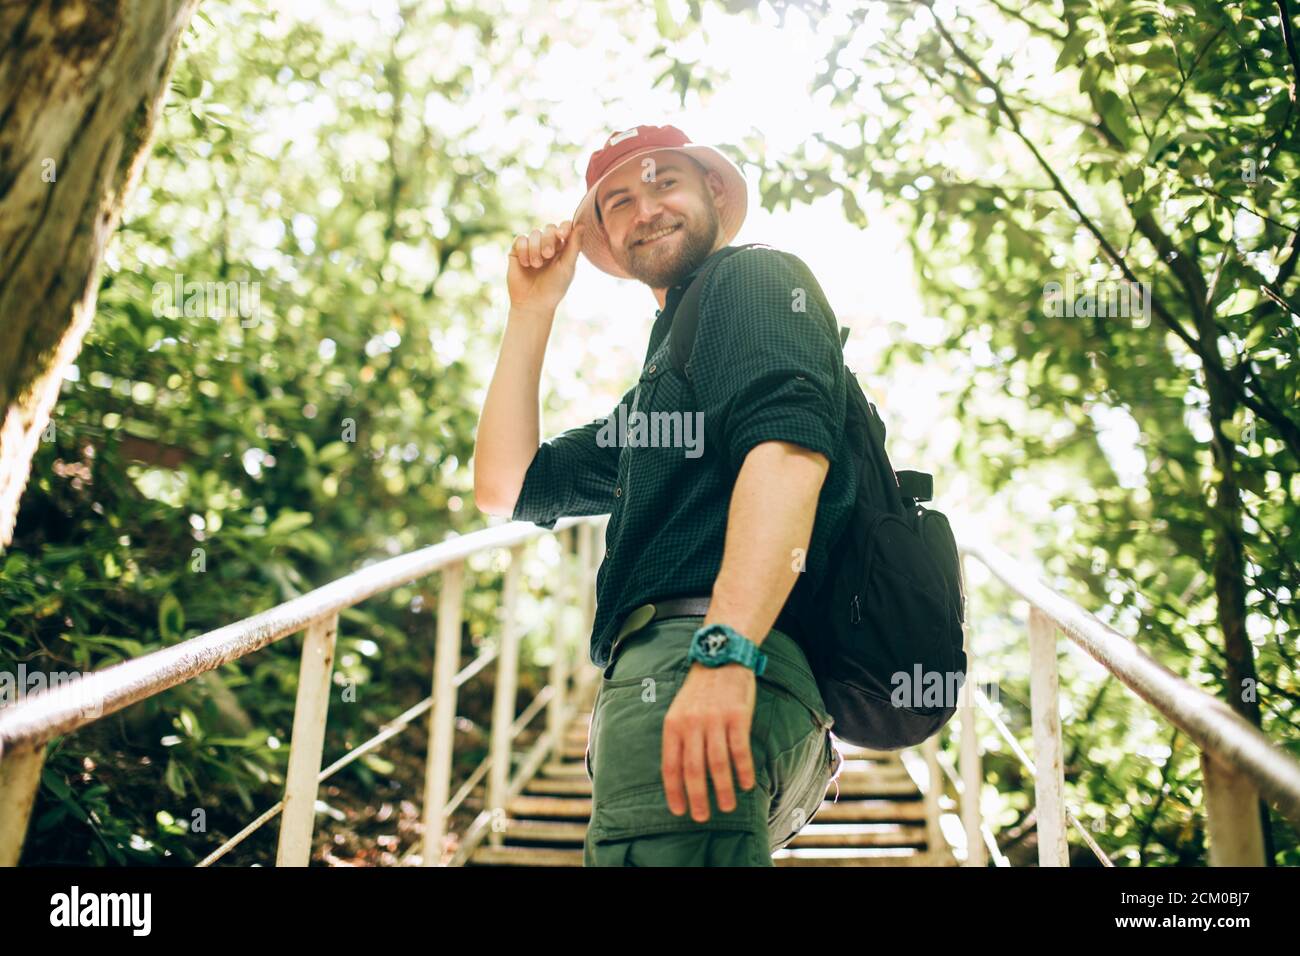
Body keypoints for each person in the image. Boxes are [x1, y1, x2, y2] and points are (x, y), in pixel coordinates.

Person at [474, 124, 852, 866]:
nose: (644, 208)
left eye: (663, 182)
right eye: (617, 201)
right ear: (605, 238)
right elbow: (506, 486)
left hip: (703, 656)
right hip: (702, 675)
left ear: (713, 191)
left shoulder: (753, 279)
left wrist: (723, 653)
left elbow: (788, 453)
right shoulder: (672, 369)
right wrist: (531, 310)